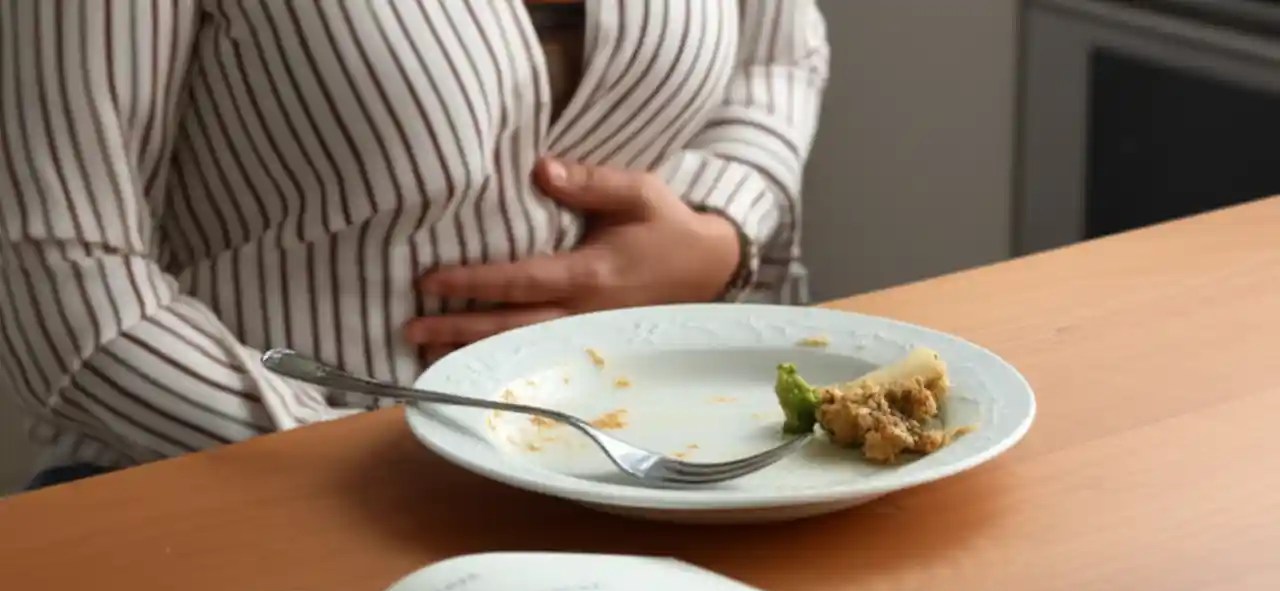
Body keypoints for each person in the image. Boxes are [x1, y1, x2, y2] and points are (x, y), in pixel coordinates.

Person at [0, 0, 829, 488]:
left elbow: (779, 53)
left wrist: (723, 233)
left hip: (622, 474)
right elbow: (57, 277)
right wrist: (363, 467)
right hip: (212, 491)